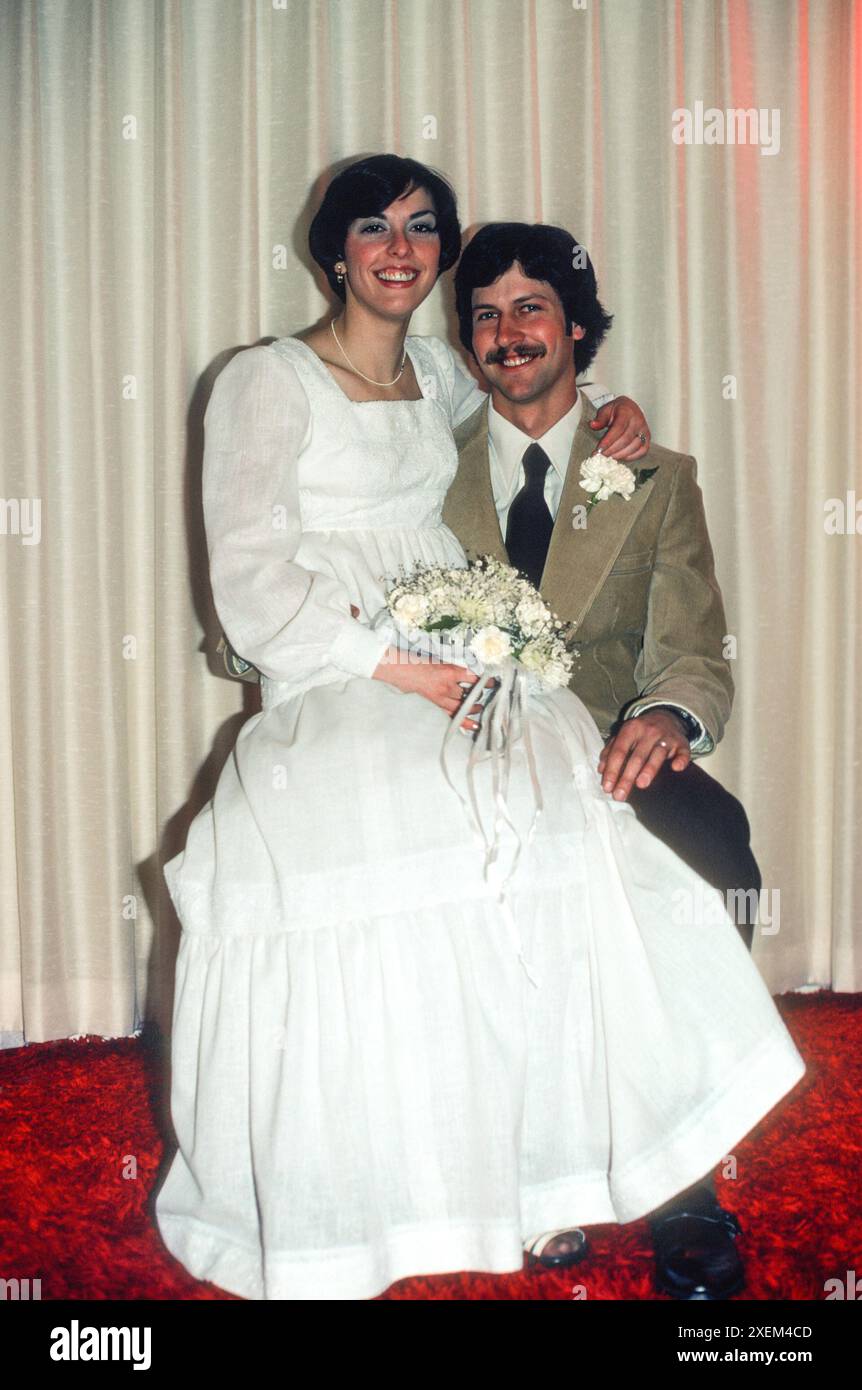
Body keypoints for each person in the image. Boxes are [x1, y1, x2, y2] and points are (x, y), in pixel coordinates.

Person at [156, 154, 804, 1302]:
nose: (397, 247)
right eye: (373, 226)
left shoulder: (460, 396)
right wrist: (402, 669)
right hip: (352, 676)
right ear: (334, 250)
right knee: (439, 836)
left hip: (510, 690)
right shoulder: (264, 379)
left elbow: (565, 435)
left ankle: (661, 1171)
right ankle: (469, 1173)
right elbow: (250, 585)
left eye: (420, 228)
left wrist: (616, 423)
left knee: (627, 846)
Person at [444, 221, 769, 1295]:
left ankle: (679, 1181)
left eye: (530, 306)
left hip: (605, 745)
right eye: (484, 313)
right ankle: (533, 1165)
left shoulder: (654, 471)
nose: (507, 331)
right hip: (464, 750)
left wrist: (668, 715)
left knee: (714, 855)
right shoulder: (421, 472)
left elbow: (692, 646)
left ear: (577, 328)